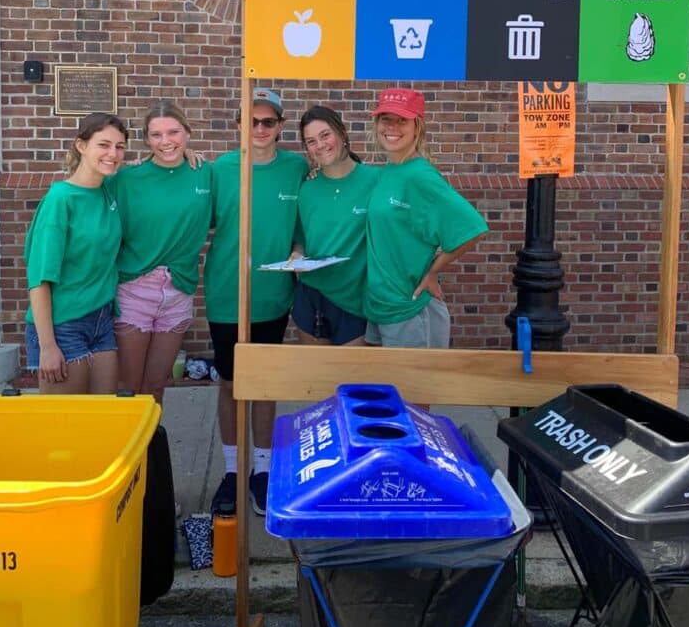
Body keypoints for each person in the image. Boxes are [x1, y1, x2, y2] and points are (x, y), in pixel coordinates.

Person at [204, 88, 308, 516]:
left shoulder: (297, 169)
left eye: (268, 121)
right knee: (231, 383)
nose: (260, 129)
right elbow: (193, 219)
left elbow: (307, 222)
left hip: (273, 295)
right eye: (251, 120)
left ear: (280, 126)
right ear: (239, 125)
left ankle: (262, 471)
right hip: (227, 293)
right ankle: (232, 470)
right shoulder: (218, 170)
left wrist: (299, 251)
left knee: (264, 382)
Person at [365, 88, 488, 348]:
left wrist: (433, 271)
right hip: (382, 304)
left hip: (409, 308)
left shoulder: (421, 176)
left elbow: (474, 228)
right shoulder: (389, 171)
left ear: (417, 127)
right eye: (386, 119)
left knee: (413, 389)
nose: (392, 127)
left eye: (402, 120)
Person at [110, 101, 212, 403]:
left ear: (188, 134)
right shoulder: (127, 179)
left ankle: (151, 450)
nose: (165, 141)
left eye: (173, 132)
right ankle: (129, 450)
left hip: (178, 290)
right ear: (146, 140)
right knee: (129, 387)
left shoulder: (206, 173)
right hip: (134, 290)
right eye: (156, 135)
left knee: (156, 386)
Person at [23, 112, 128, 394]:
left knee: (102, 421)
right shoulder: (60, 200)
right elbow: (39, 279)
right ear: (81, 146)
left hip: (101, 319)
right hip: (62, 325)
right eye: (103, 145)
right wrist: (47, 346)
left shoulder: (107, 189)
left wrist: (184, 152)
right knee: (65, 427)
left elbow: (153, 171)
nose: (113, 153)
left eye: (120, 146)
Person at [291, 105, 378, 346]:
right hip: (311, 298)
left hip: (356, 301)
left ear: (342, 133)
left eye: (325, 135)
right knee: (318, 380)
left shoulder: (376, 181)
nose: (320, 145)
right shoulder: (307, 189)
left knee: (353, 380)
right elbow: (302, 239)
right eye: (311, 141)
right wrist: (296, 256)